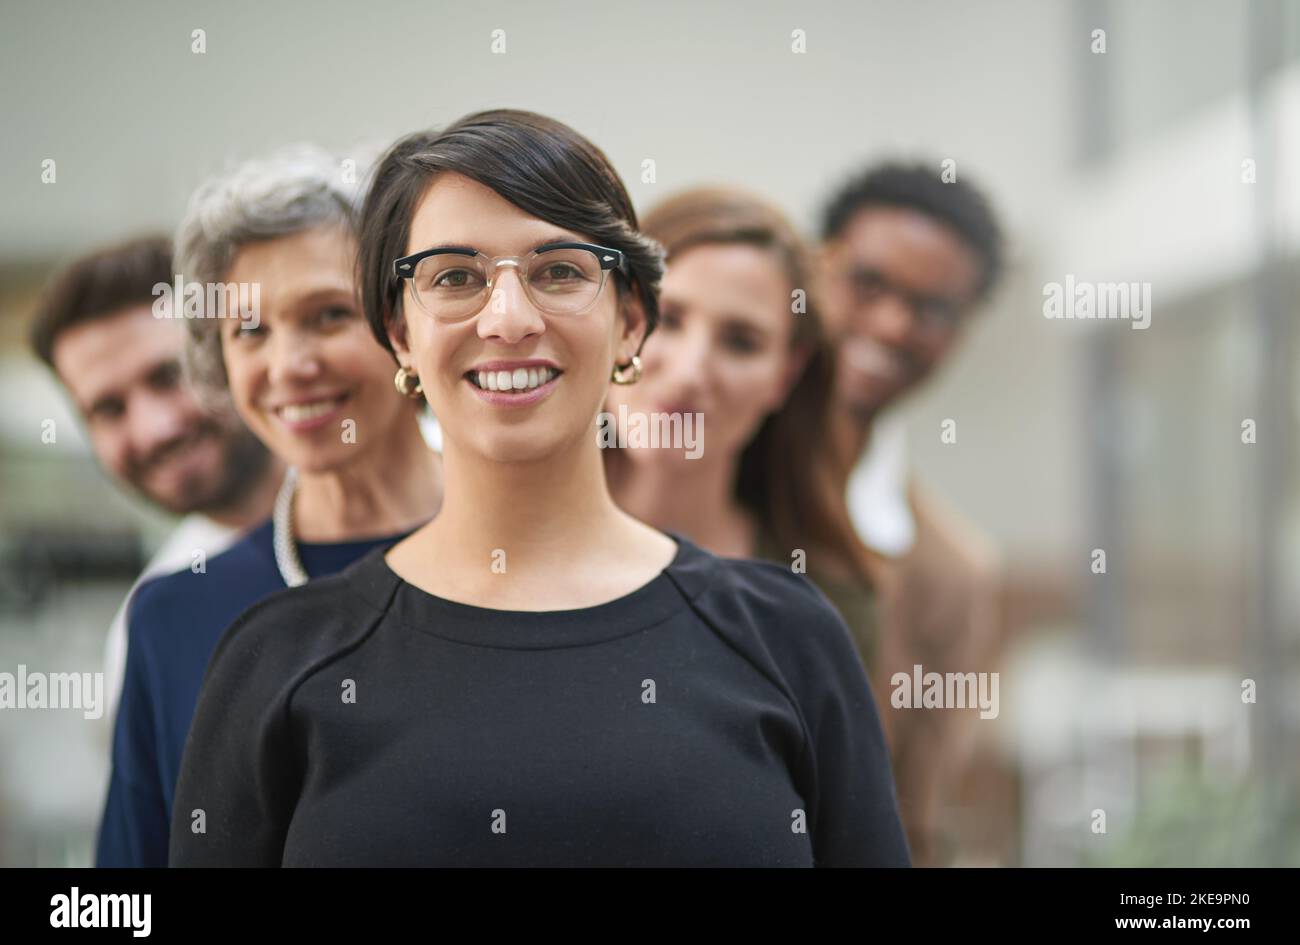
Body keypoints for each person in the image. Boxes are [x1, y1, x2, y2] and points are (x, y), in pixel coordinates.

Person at [169, 109, 910, 867]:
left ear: (628, 322)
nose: (510, 318)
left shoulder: (788, 638)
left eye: (559, 271)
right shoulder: (277, 659)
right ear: (399, 334)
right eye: (455, 277)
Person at [96, 146, 444, 867]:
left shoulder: (530, 563)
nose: (288, 365)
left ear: (406, 328)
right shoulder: (175, 615)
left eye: (327, 315)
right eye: (249, 330)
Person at [605, 186, 883, 673]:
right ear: (614, 321)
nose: (692, 371)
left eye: (740, 342)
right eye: (667, 319)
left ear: (785, 375)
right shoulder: (479, 536)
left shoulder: (822, 605)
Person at [817, 161, 1005, 866]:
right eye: (868, 284)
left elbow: (910, 823)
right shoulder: (678, 471)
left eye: (931, 308)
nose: (893, 323)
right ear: (813, 269)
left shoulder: (951, 574)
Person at [28, 236, 282, 726]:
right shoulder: (150, 629)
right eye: (109, 409)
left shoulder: (444, 503)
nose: (154, 430)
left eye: (169, 375)